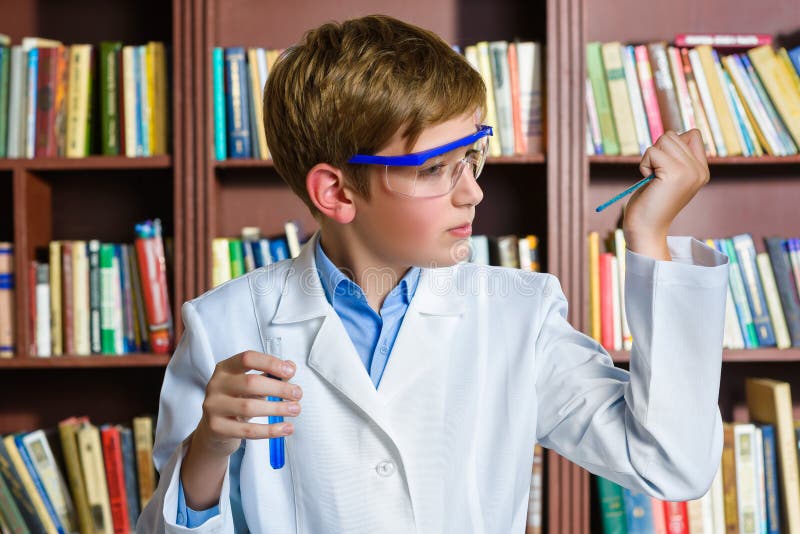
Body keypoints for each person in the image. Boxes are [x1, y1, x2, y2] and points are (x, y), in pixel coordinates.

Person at [138, 15, 729, 533]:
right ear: (338, 191)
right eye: (436, 169)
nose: (472, 192)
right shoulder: (225, 326)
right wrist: (208, 449)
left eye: (473, 155)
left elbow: (670, 462)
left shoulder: (518, 315)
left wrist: (649, 237)